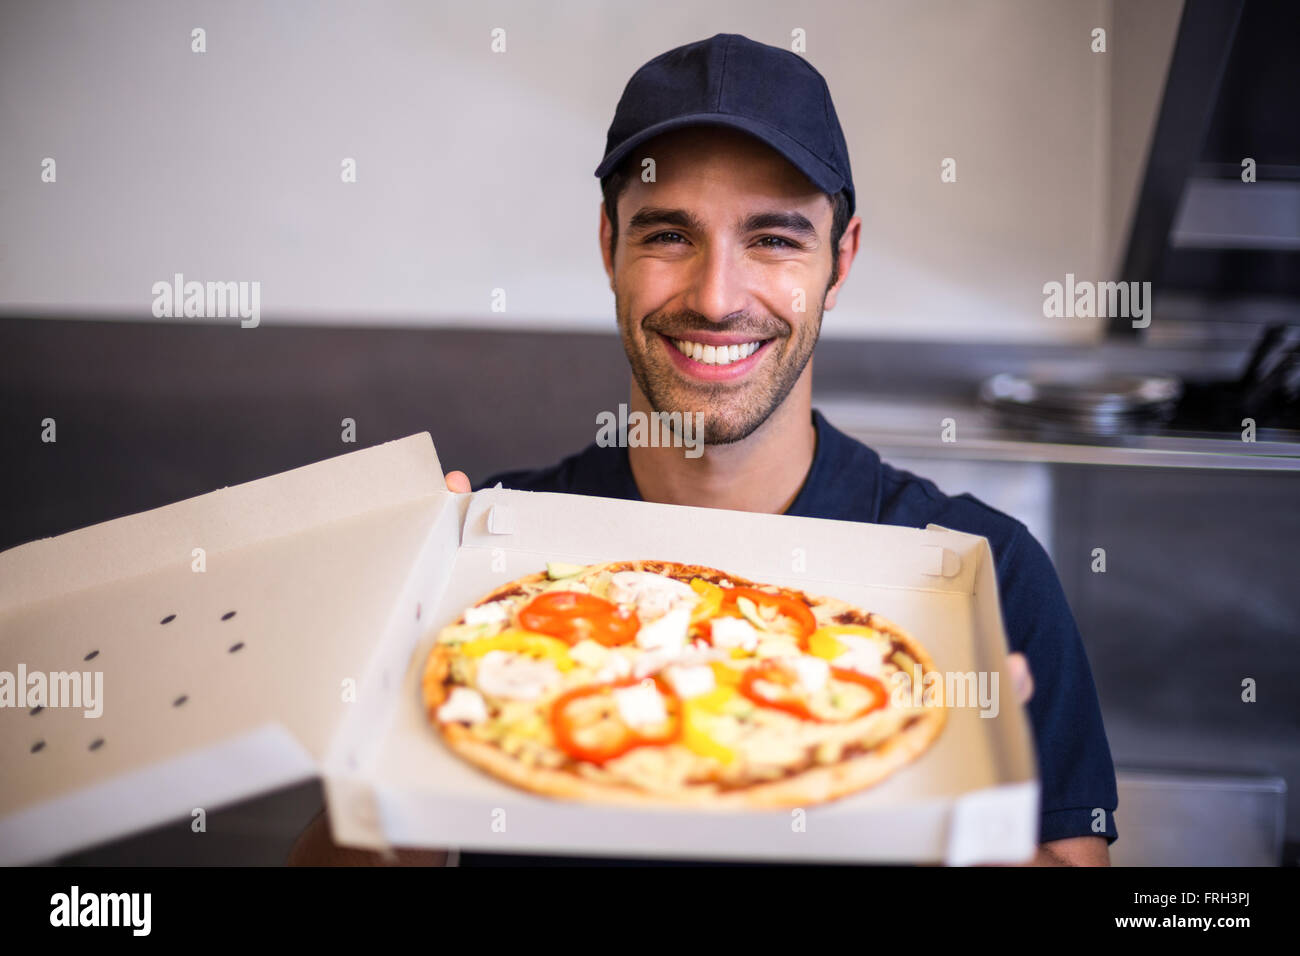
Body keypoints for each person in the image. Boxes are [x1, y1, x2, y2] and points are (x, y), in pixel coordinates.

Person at [290, 32, 1116, 867]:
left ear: (841, 260)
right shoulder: (482, 567)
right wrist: (388, 709)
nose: (717, 299)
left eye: (775, 239)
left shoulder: (983, 576)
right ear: (610, 248)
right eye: (669, 236)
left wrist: (952, 826)